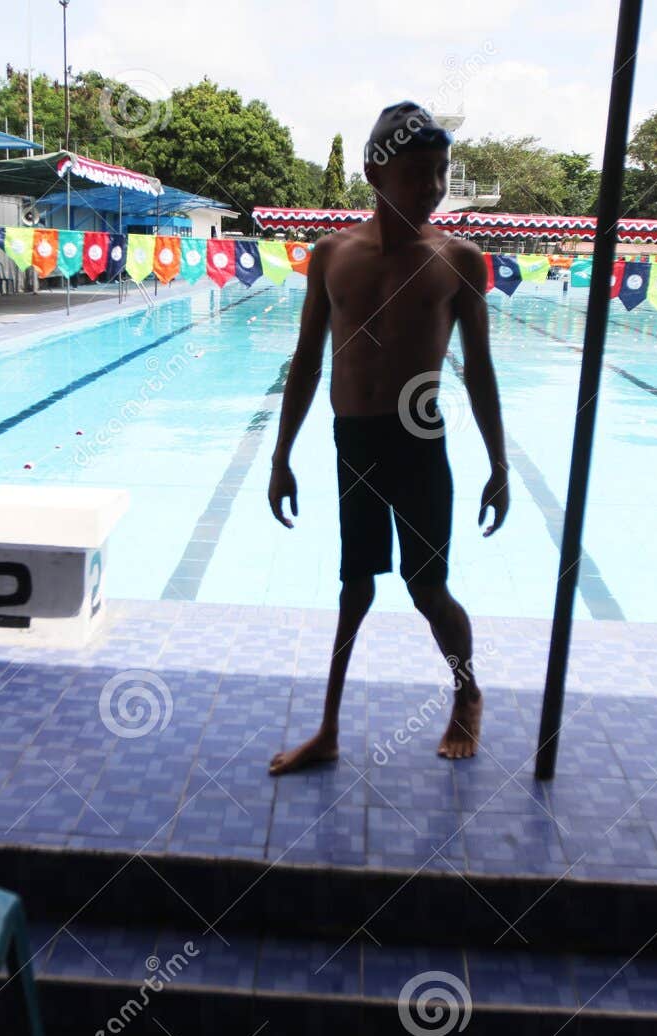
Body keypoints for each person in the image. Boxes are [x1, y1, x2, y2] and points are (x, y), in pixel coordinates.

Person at [266, 101, 508, 774]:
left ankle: (467, 693)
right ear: (375, 173)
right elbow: (306, 361)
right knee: (355, 588)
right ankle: (328, 730)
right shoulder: (331, 255)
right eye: (417, 172)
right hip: (355, 440)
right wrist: (281, 456)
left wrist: (500, 463)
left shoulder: (459, 259)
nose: (433, 186)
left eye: (441, 171)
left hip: (419, 441)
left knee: (427, 588)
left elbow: (481, 369)